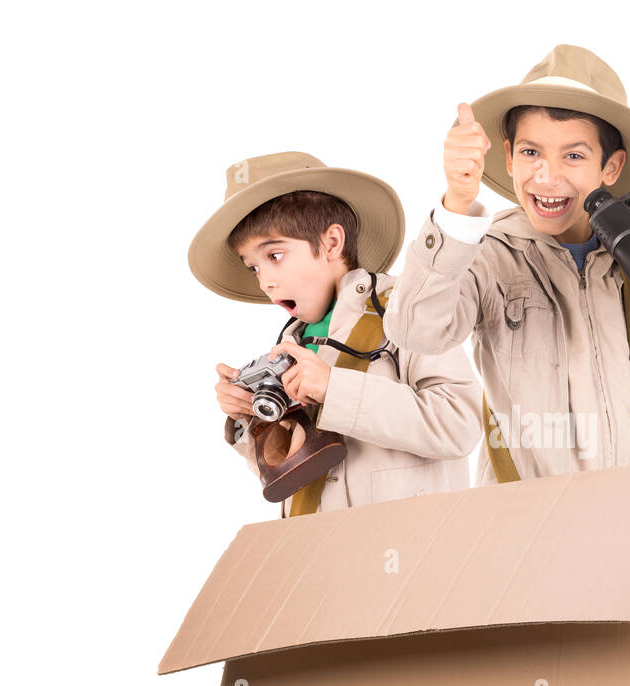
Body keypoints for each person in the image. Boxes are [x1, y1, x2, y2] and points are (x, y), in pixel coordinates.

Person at [382, 45, 630, 484]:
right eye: (531, 153)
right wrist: (456, 208)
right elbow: (414, 332)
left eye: (573, 156)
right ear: (507, 155)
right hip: (527, 526)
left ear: (611, 167)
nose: (546, 175)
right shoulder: (487, 253)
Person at [190, 151, 482, 516]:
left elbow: (460, 425)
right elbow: (293, 478)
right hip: (319, 557)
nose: (266, 281)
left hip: (410, 552)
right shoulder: (291, 348)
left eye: (275, 256)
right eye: (253, 268)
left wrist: (334, 389)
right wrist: (251, 418)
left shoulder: (407, 311)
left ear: (331, 243)